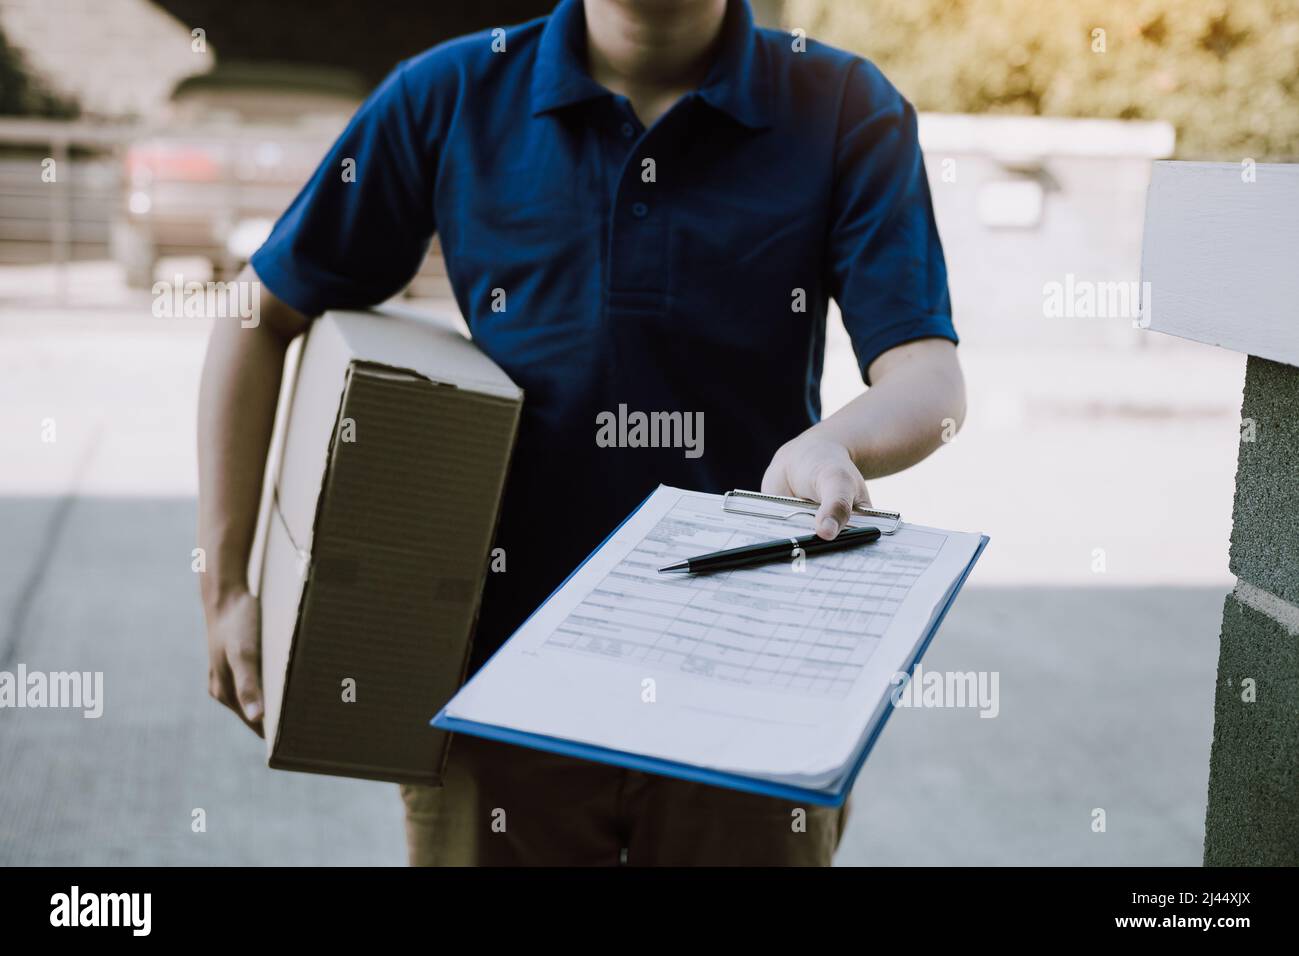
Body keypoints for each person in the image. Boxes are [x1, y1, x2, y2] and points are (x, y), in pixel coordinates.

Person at [197, 0, 966, 866]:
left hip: (748, 694)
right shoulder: (450, 92)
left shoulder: (844, 104)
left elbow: (929, 377)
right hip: (492, 685)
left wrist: (834, 445)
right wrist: (225, 587)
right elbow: (254, 317)